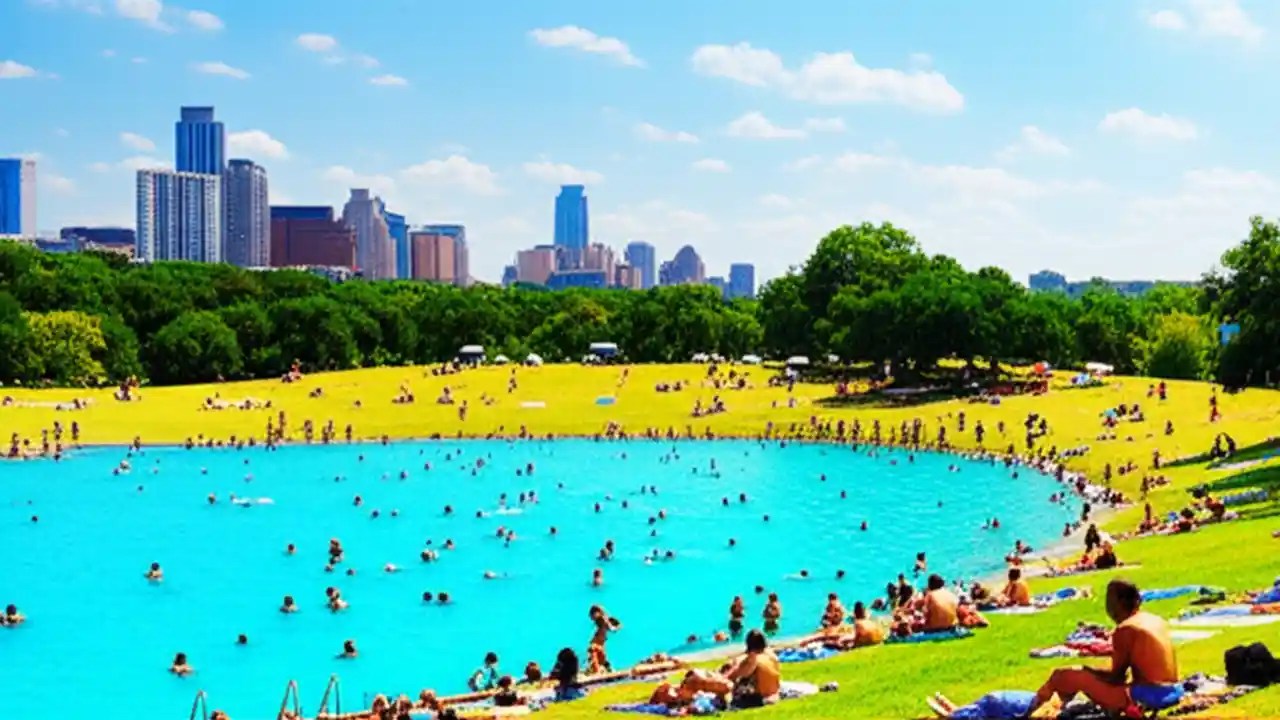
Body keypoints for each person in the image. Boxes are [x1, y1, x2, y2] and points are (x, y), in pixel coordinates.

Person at [1025, 579, 1180, 716]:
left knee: (1065, 676)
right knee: (1077, 675)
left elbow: (1116, 677)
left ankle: (1033, 707)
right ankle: (1050, 706)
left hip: (1149, 696)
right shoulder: (1154, 619)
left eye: (1108, 599)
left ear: (1118, 602)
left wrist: (1086, 670)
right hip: (1173, 690)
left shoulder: (1126, 628)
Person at [723, 629, 782, 708]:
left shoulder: (751, 659)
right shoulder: (771, 656)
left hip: (759, 697)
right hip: (775, 693)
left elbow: (733, 675)